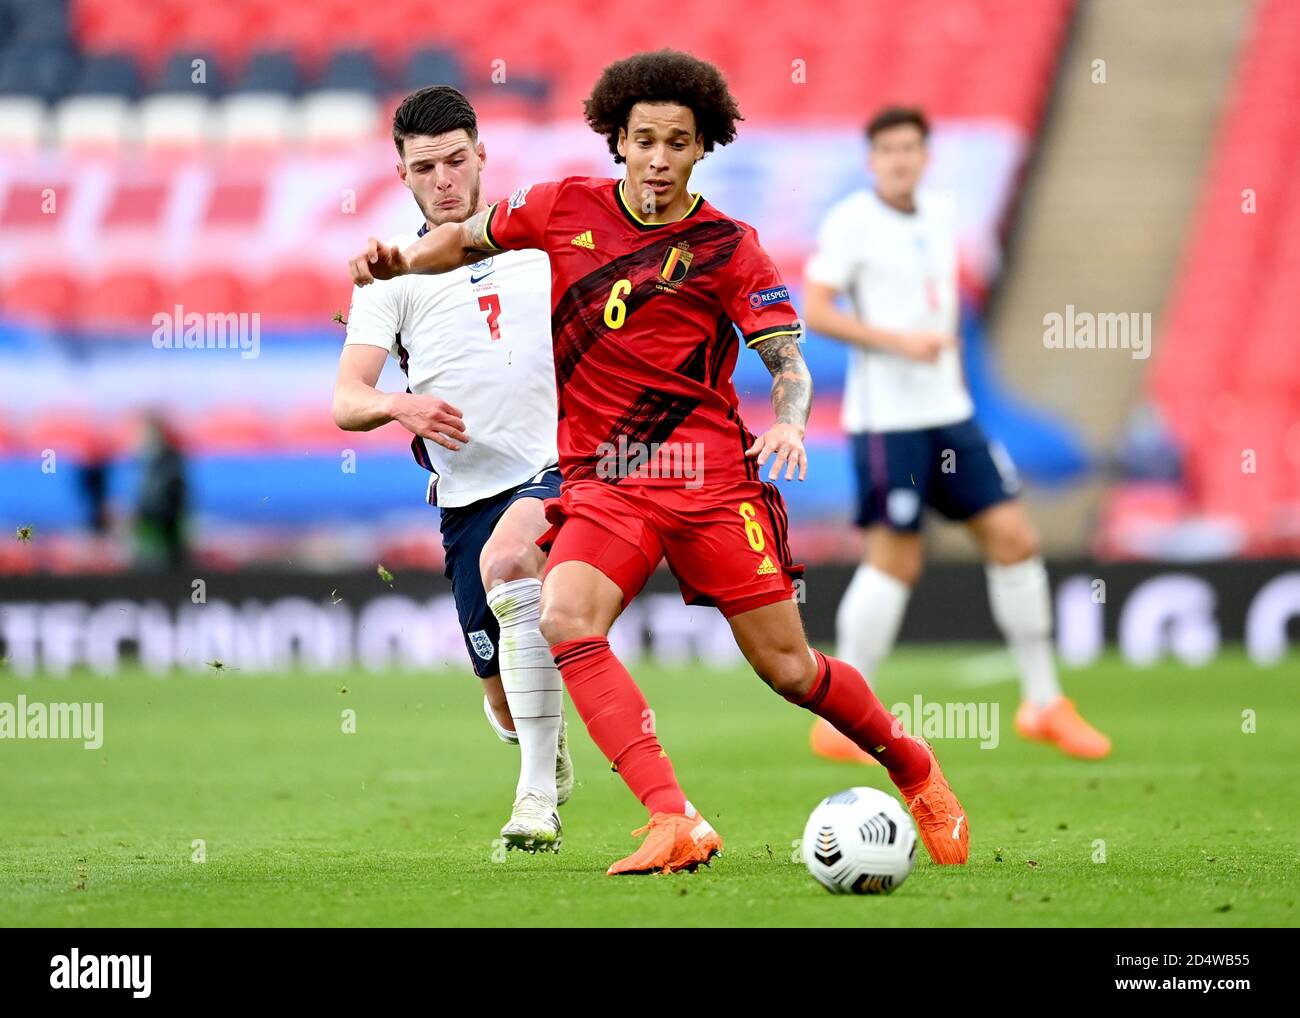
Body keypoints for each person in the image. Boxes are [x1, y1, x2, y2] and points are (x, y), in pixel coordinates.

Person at [349, 52, 969, 875]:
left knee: (789, 668)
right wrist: (400, 259)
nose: (657, 159)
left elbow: (787, 359)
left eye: (678, 143)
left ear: (702, 146)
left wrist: (788, 422)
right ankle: (672, 816)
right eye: (644, 140)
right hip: (605, 480)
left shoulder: (729, 247)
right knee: (566, 617)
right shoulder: (561, 206)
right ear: (619, 140)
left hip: (709, 481)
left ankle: (913, 766)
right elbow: (464, 239)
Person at [801, 105, 1110, 762]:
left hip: (949, 411)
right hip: (888, 421)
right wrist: (895, 341)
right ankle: (840, 718)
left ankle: (1043, 701)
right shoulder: (853, 223)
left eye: (910, 147)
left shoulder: (941, 215)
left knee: (1015, 538)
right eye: (887, 150)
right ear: (871, 159)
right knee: (895, 561)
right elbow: (819, 312)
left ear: (925, 155)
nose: (900, 159)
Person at [333, 86, 573, 852]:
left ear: (482, 157)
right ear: (402, 175)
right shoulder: (389, 278)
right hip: (466, 495)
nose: (443, 179)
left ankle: (535, 798)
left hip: (559, 469)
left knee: (515, 567)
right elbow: (347, 400)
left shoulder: (536, 242)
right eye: (425, 166)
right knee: (504, 702)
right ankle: (533, 736)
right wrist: (402, 408)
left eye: (456, 160)